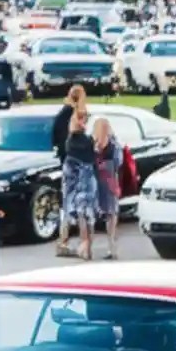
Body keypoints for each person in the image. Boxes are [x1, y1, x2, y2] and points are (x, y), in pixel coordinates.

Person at [53, 85, 87, 258]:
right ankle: (77, 242)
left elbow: (55, 137)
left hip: (66, 162)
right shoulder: (73, 116)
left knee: (68, 202)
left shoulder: (61, 114)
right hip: (76, 163)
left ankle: (64, 240)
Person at [63, 108, 99, 261]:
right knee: (86, 213)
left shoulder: (70, 142)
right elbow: (93, 158)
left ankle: (85, 244)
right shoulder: (87, 141)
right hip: (86, 178)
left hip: (75, 181)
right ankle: (87, 246)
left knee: (80, 213)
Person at [92, 118, 123, 260]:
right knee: (111, 213)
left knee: (93, 212)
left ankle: (88, 246)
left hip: (96, 179)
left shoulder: (93, 144)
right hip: (110, 179)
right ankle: (111, 247)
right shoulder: (114, 144)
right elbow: (118, 162)